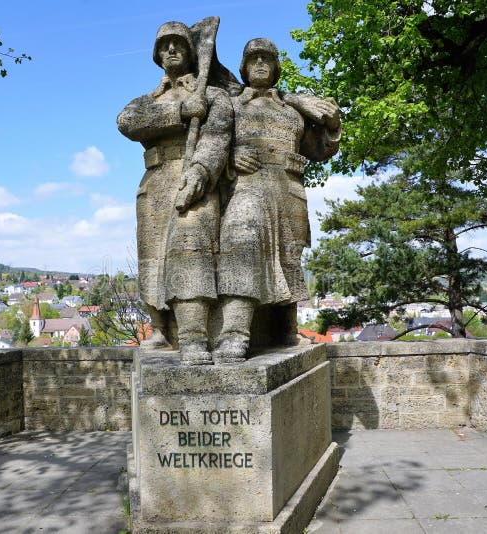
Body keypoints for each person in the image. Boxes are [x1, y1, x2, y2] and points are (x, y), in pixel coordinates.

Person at [214, 38, 341, 362]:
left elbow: (320, 150)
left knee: (290, 256)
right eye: (253, 58)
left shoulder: (292, 110)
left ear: (276, 68)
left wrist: (332, 123)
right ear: (242, 67)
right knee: (240, 242)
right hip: (248, 185)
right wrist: (230, 157)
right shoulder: (231, 104)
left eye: (266, 59)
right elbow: (209, 140)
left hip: (287, 189)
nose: (260, 63)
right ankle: (234, 333)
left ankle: (286, 330)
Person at [117, 21, 233, 365]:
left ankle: (194, 338)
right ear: (156, 55)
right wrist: (180, 111)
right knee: (151, 258)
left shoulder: (212, 96)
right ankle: (160, 328)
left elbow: (217, 137)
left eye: (178, 44)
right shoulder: (146, 101)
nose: (170, 50)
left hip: (194, 179)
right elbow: (127, 122)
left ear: (190, 52)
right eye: (164, 45)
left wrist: (200, 173)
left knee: (192, 253)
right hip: (154, 183)